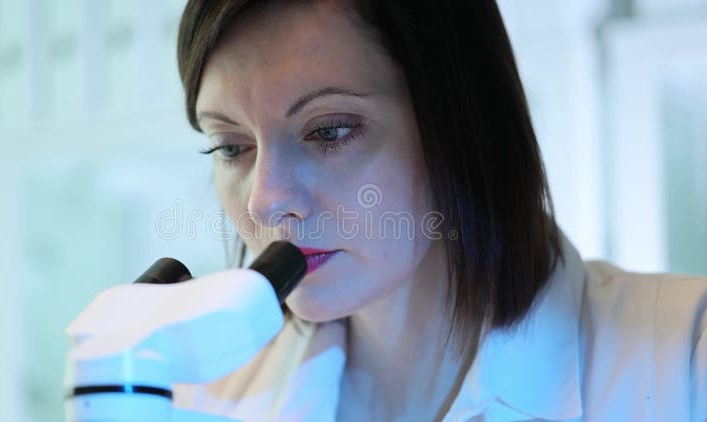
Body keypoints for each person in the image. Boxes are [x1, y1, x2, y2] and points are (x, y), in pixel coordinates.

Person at [172, 1, 707, 420]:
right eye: (231, 146)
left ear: (461, 122)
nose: (264, 201)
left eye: (330, 131)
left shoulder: (684, 361)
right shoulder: (194, 396)